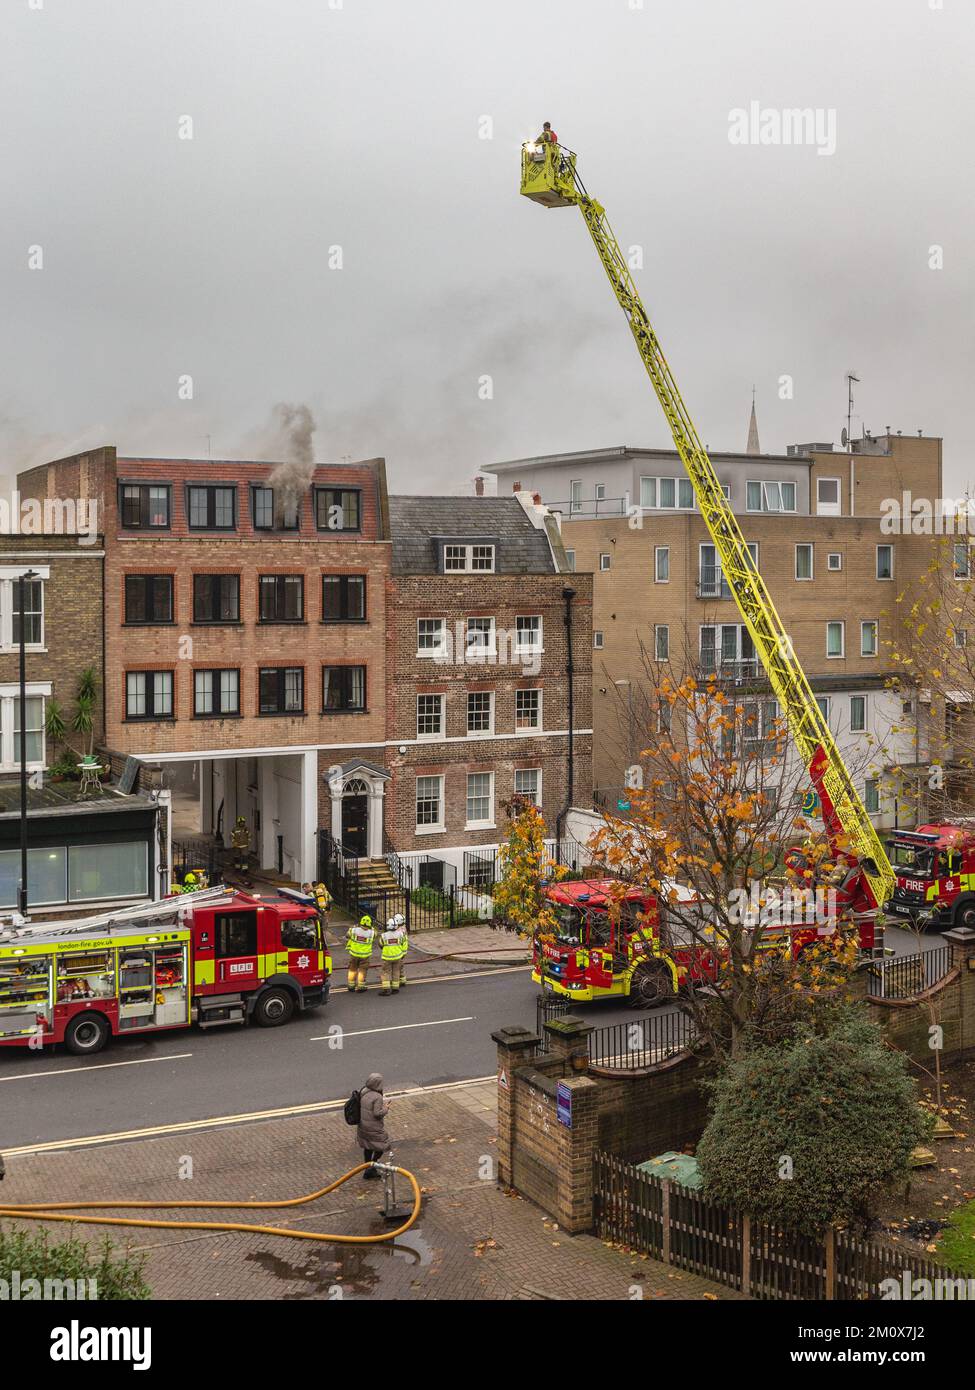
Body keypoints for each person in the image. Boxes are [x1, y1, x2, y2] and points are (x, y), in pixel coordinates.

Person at [356, 1073, 390, 1179]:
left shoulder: (363, 1091)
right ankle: (372, 1167)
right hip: (373, 1127)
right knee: (382, 1146)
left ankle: (368, 1168)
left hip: (363, 1125)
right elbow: (377, 1113)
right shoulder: (377, 1097)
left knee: (368, 1147)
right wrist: (386, 1108)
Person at [346, 914, 375, 992]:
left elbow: (347, 936)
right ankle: (360, 987)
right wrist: (372, 928)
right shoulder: (372, 933)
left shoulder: (354, 930)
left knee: (352, 969)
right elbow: (375, 935)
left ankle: (351, 986)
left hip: (354, 954)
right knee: (362, 971)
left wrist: (353, 928)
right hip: (365, 956)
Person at [378, 917, 407, 996]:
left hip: (387, 957)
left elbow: (380, 945)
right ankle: (395, 988)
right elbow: (403, 943)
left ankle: (386, 990)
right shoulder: (401, 934)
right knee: (396, 972)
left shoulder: (384, 936)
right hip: (398, 957)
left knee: (385, 973)